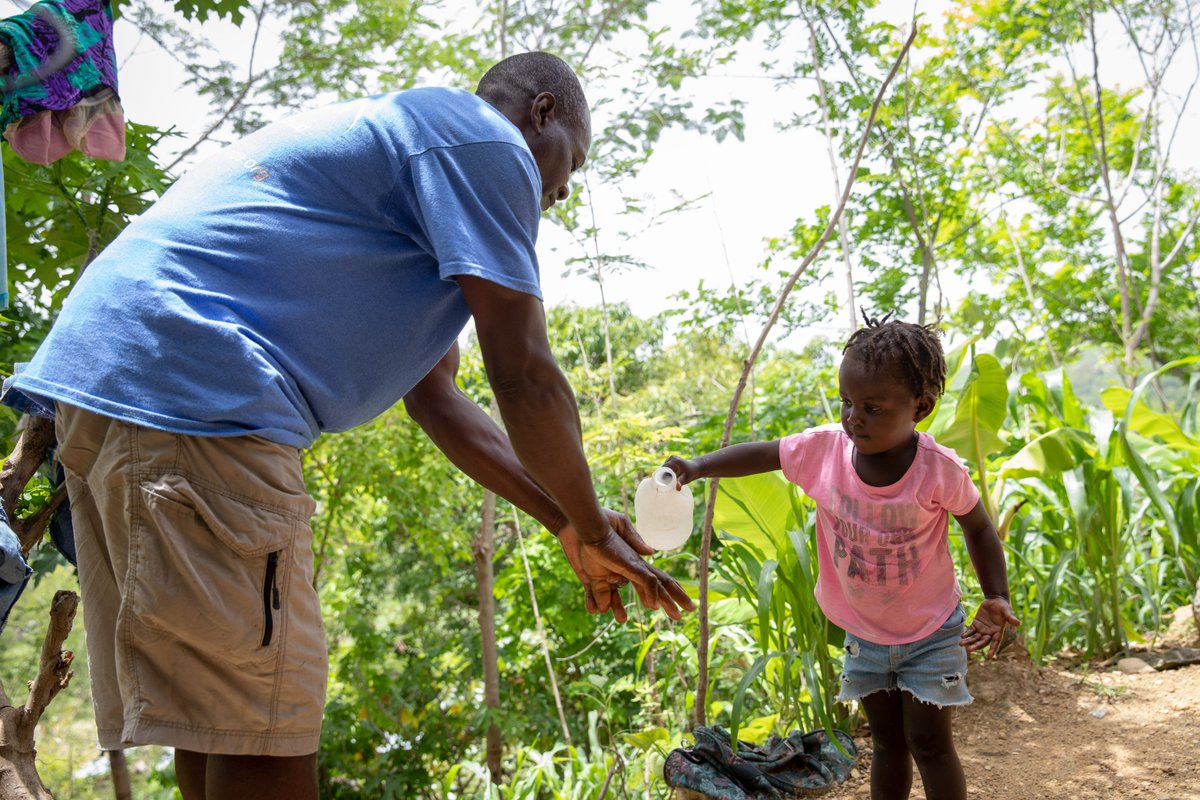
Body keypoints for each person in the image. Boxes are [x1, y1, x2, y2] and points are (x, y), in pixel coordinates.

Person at [10, 51, 693, 798]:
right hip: (200, 391)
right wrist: (595, 526)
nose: (561, 191)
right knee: (268, 726)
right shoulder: (486, 143)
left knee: (220, 720)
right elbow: (525, 377)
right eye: (573, 163)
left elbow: (437, 399)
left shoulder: (412, 165)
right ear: (542, 113)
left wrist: (565, 519)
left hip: (114, 389)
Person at [662, 315, 1020, 800]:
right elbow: (765, 454)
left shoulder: (938, 469)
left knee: (929, 744)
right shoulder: (824, 452)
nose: (854, 418)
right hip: (864, 634)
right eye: (846, 402)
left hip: (931, 631)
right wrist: (699, 466)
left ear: (921, 406)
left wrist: (996, 595)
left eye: (872, 408)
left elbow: (977, 526)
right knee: (888, 745)